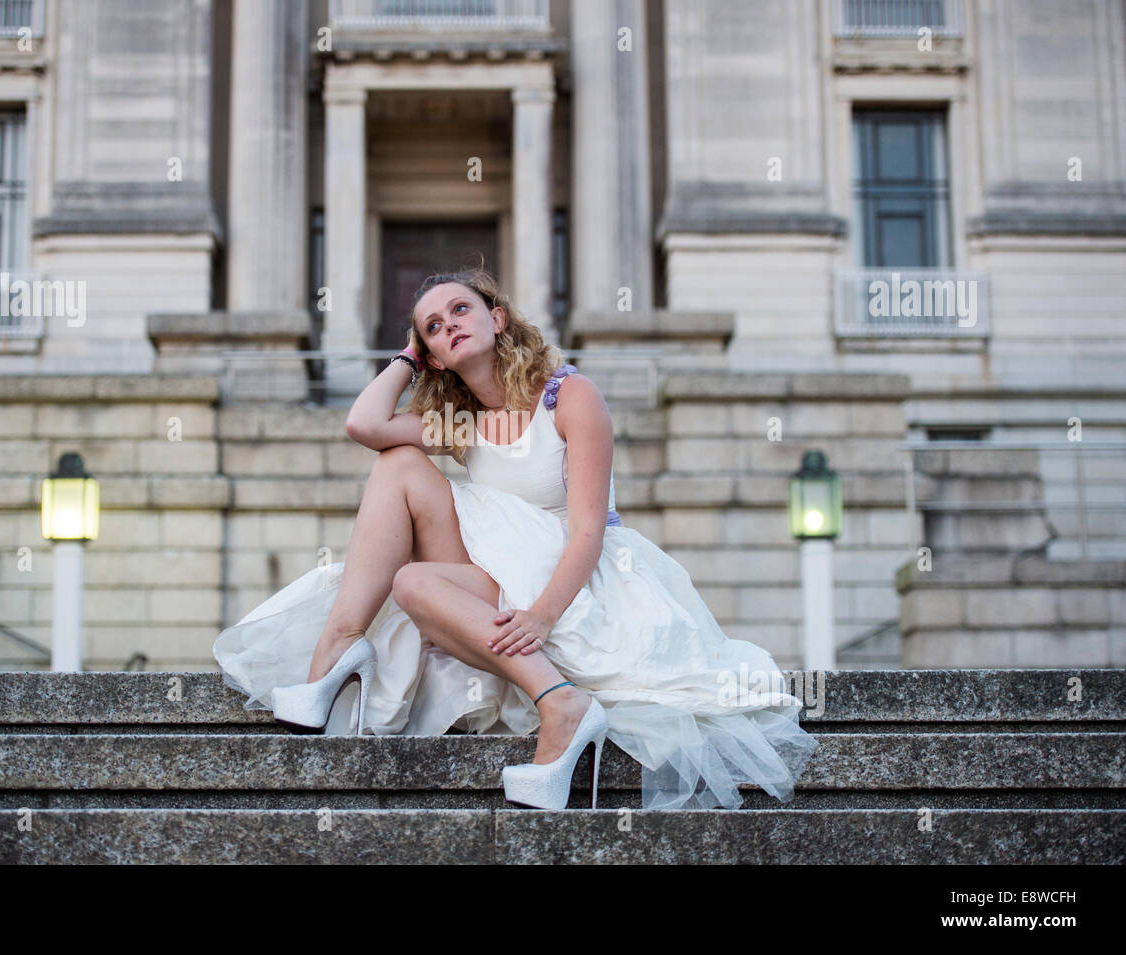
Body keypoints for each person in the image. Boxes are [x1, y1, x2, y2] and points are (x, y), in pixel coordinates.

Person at [213, 266, 818, 811]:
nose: (449, 325)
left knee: (415, 576)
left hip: (575, 580)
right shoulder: (465, 422)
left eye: (460, 310)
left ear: (496, 318)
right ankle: (338, 649)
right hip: (499, 567)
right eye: (432, 327)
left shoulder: (569, 396)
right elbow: (364, 424)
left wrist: (544, 615)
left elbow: (587, 530)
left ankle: (561, 704)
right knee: (396, 472)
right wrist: (408, 359)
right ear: (434, 355)